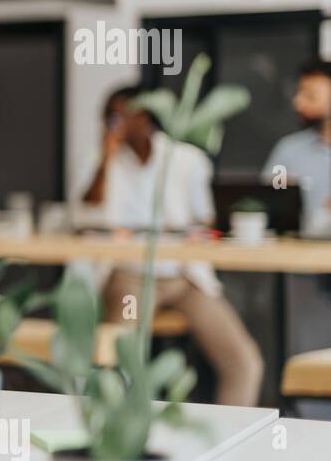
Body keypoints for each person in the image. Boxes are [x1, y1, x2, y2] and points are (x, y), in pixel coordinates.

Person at [79, 86, 262, 406]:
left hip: (185, 278)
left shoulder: (186, 158)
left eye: (121, 116)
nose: (114, 125)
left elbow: (204, 220)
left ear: (145, 116)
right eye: (109, 118)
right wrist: (105, 160)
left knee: (244, 362)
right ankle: (117, 434)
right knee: (116, 357)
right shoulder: (99, 161)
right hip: (130, 278)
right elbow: (85, 215)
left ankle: (230, 439)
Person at [264, 59, 331, 235]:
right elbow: (265, 202)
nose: (298, 102)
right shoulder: (289, 150)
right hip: (297, 255)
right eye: (299, 93)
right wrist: (281, 193)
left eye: (310, 95)